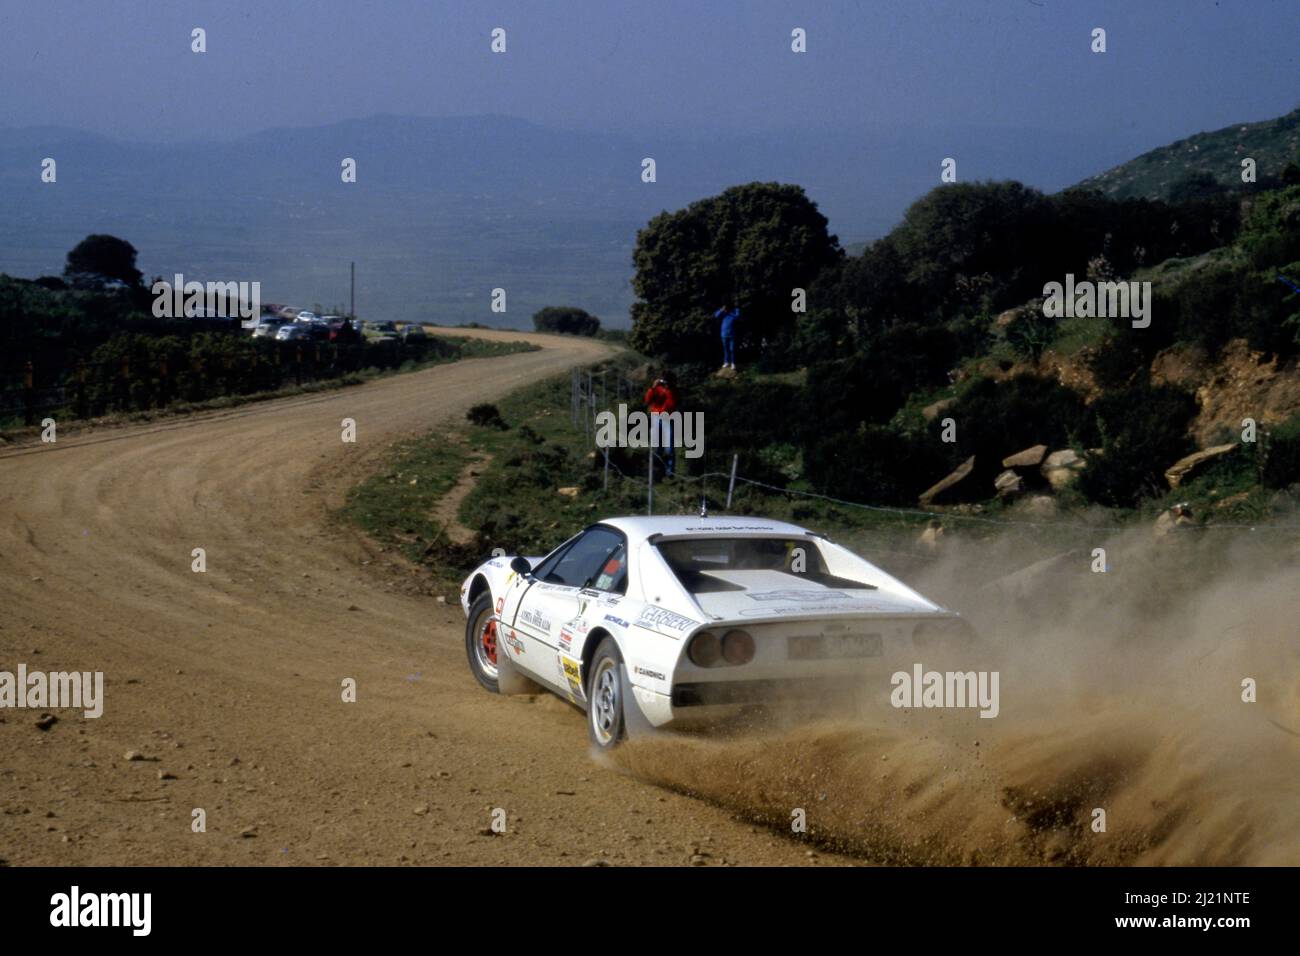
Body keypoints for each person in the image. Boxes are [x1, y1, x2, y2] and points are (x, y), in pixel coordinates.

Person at [643, 369, 677, 478]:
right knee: (657, 446)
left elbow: (672, 404)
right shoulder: (656, 388)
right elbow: (647, 400)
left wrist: (668, 390)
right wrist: (652, 388)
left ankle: (670, 472)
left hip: (667, 418)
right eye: (663, 381)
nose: (664, 383)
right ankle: (658, 471)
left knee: (669, 447)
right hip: (656, 417)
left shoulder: (673, 391)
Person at [713, 303, 741, 370]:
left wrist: (730, 312)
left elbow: (737, 317)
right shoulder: (722, 312)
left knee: (732, 349)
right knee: (726, 349)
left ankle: (733, 363)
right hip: (724, 334)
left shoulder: (735, 311)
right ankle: (726, 362)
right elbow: (716, 316)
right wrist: (722, 310)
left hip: (732, 334)